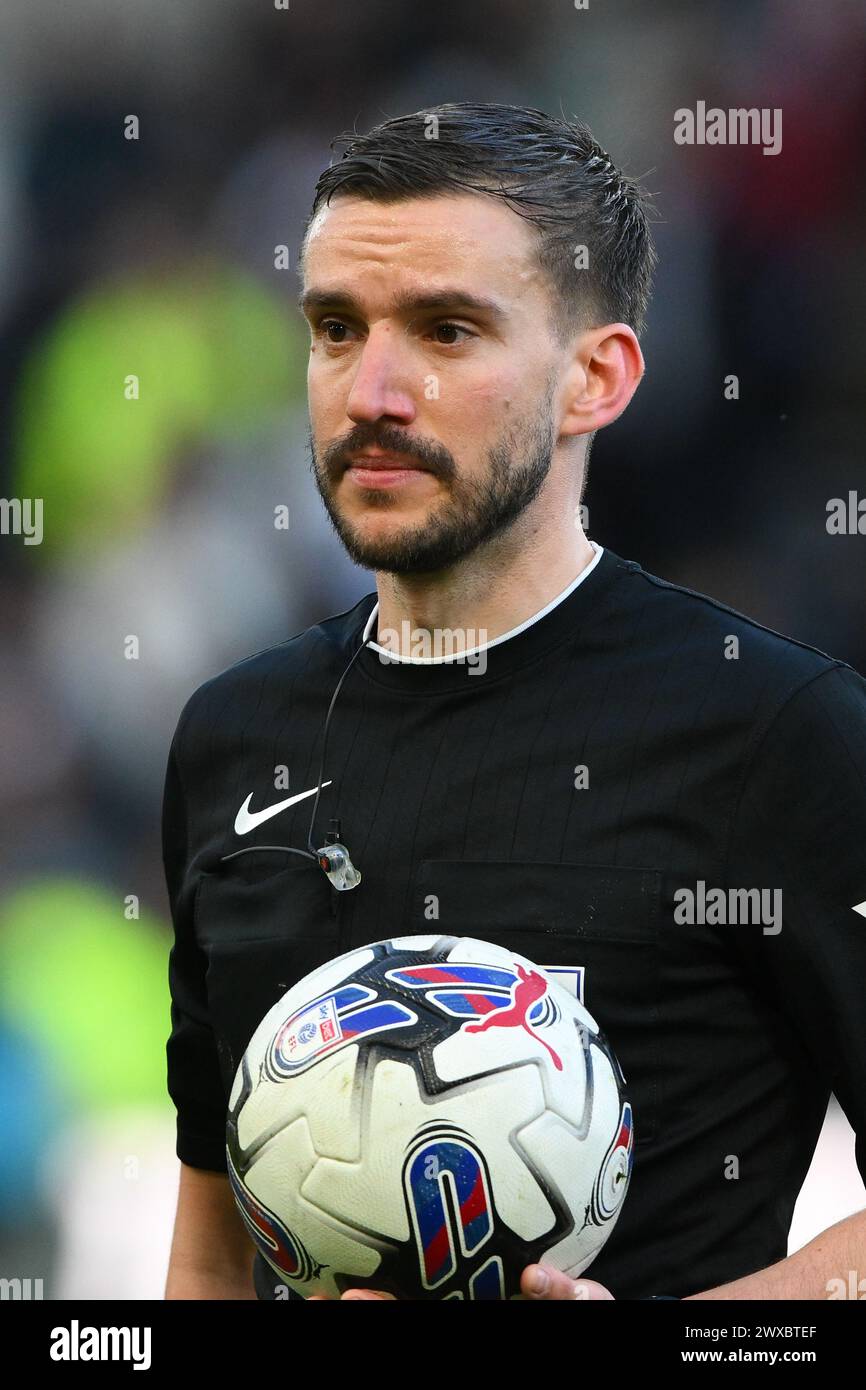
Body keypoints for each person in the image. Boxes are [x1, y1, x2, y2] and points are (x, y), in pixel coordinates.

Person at [162, 102, 866, 1302]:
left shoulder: (771, 728)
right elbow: (210, 1254)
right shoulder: (235, 736)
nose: (372, 392)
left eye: (445, 330)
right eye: (336, 328)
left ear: (594, 377)